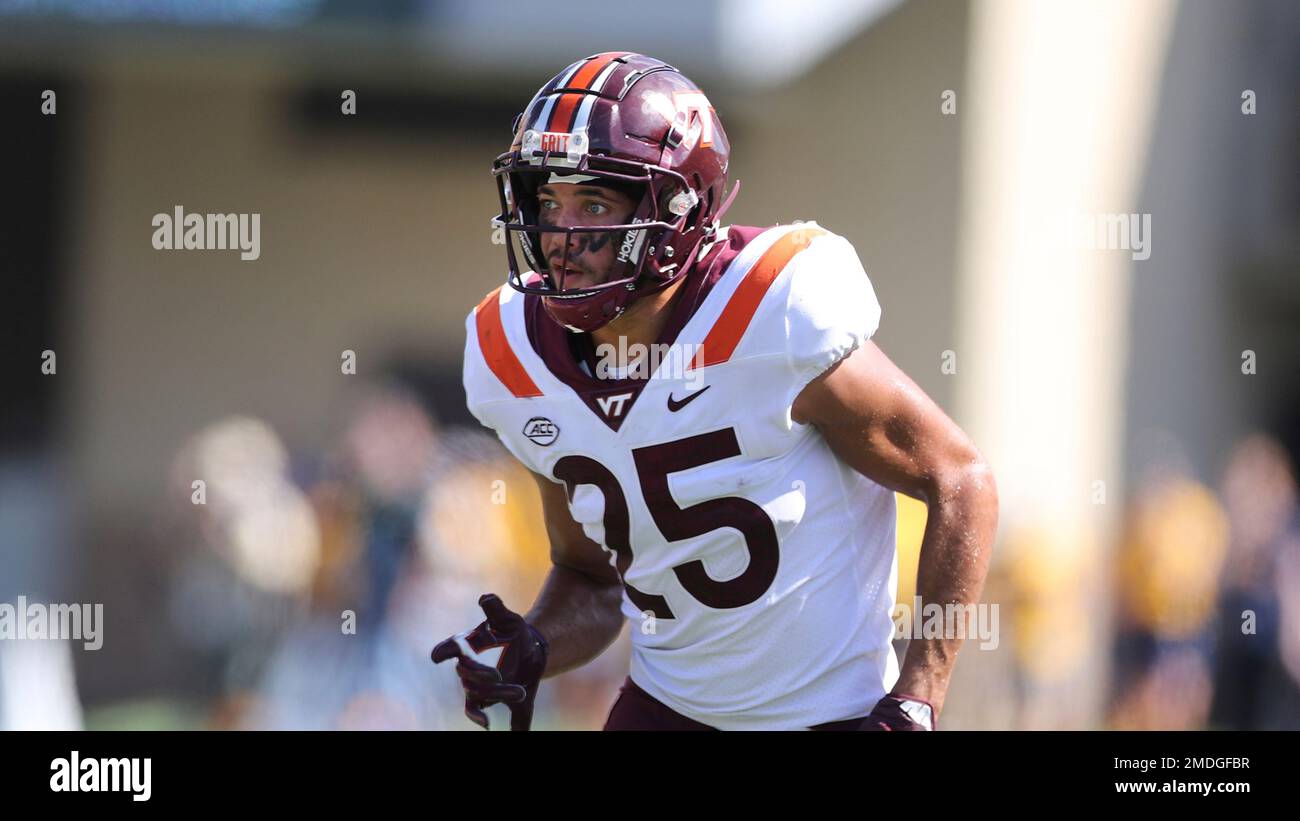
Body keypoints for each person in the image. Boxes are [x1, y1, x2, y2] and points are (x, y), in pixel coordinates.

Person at [432, 52, 998, 731]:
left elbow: (960, 478)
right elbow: (591, 577)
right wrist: (535, 645)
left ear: (677, 210)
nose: (561, 236)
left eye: (594, 203)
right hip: (667, 710)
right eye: (547, 202)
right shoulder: (513, 354)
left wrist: (918, 692)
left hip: (831, 716)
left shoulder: (771, 313)